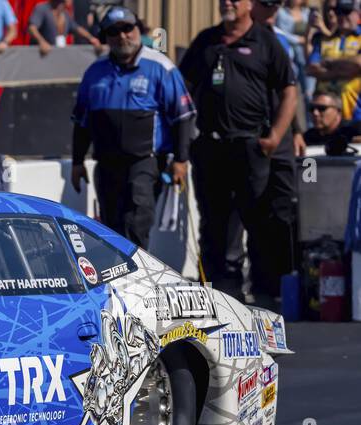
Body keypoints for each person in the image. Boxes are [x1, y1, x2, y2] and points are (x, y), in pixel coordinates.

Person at [180, 0, 298, 301]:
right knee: (214, 225)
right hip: (211, 147)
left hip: (250, 146)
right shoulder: (206, 41)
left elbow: (289, 90)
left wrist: (275, 137)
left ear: (249, 4)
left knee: (257, 222)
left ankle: (263, 298)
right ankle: (221, 298)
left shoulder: (267, 42)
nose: (227, 3)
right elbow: (183, 87)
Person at [70, 6, 194, 247]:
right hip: (106, 164)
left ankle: (137, 283)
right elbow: (81, 122)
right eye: (114, 31)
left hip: (144, 164)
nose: (122, 36)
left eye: (128, 28)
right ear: (105, 37)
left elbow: (183, 116)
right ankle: (116, 284)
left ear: (138, 29)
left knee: (135, 223)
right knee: (110, 229)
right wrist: (77, 162)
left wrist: (181, 160)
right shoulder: (95, 72)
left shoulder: (161, 66)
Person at [308, 0, 361, 118]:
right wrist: (346, 70)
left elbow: (359, 64)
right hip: (324, 113)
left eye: (346, 11)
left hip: (355, 113)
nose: (341, 16)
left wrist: (330, 63)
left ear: (358, 13)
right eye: (338, 12)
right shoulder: (321, 38)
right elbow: (312, 68)